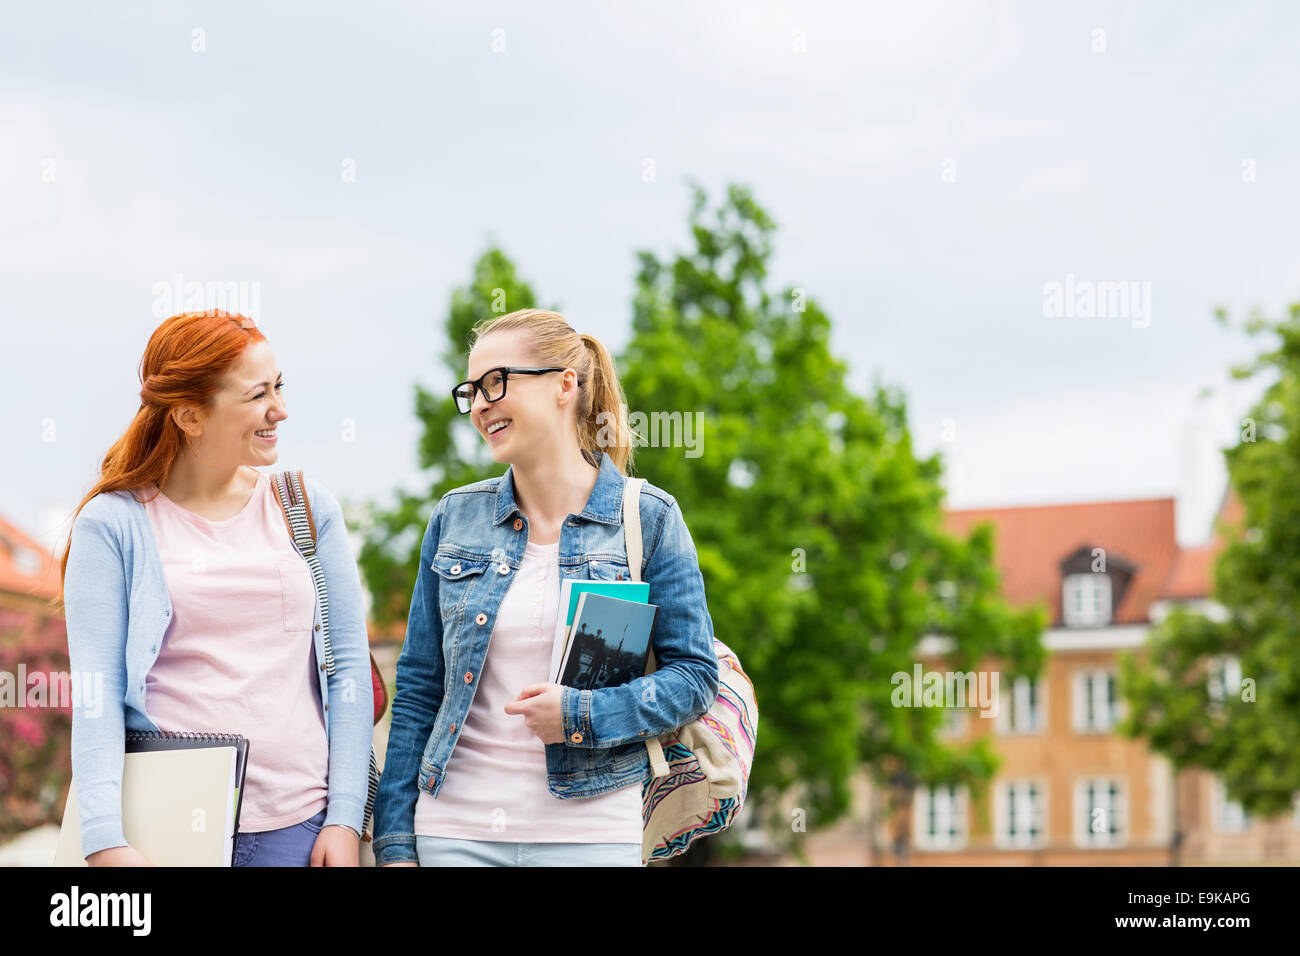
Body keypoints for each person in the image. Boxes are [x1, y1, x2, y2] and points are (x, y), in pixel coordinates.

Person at [372, 308, 719, 867]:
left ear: (564, 385)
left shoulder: (648, 518)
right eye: (472, 390)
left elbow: (696, 678)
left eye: (497, 382)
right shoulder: (455, 517)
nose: (481, 404)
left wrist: (581, 715)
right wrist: (394, 844)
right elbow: (418, 691)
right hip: (453, 831)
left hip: (591, 834)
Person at [58, 309, 372, 866]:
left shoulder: (305, 507)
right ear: (190, 416)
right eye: (256, 395)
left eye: (279, 386)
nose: (280, 409)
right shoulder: (113, 525)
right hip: (166, 834)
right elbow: (96, 691)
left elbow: (347, 667)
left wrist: (346, 817)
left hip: (301, 830)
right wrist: (103, 838)